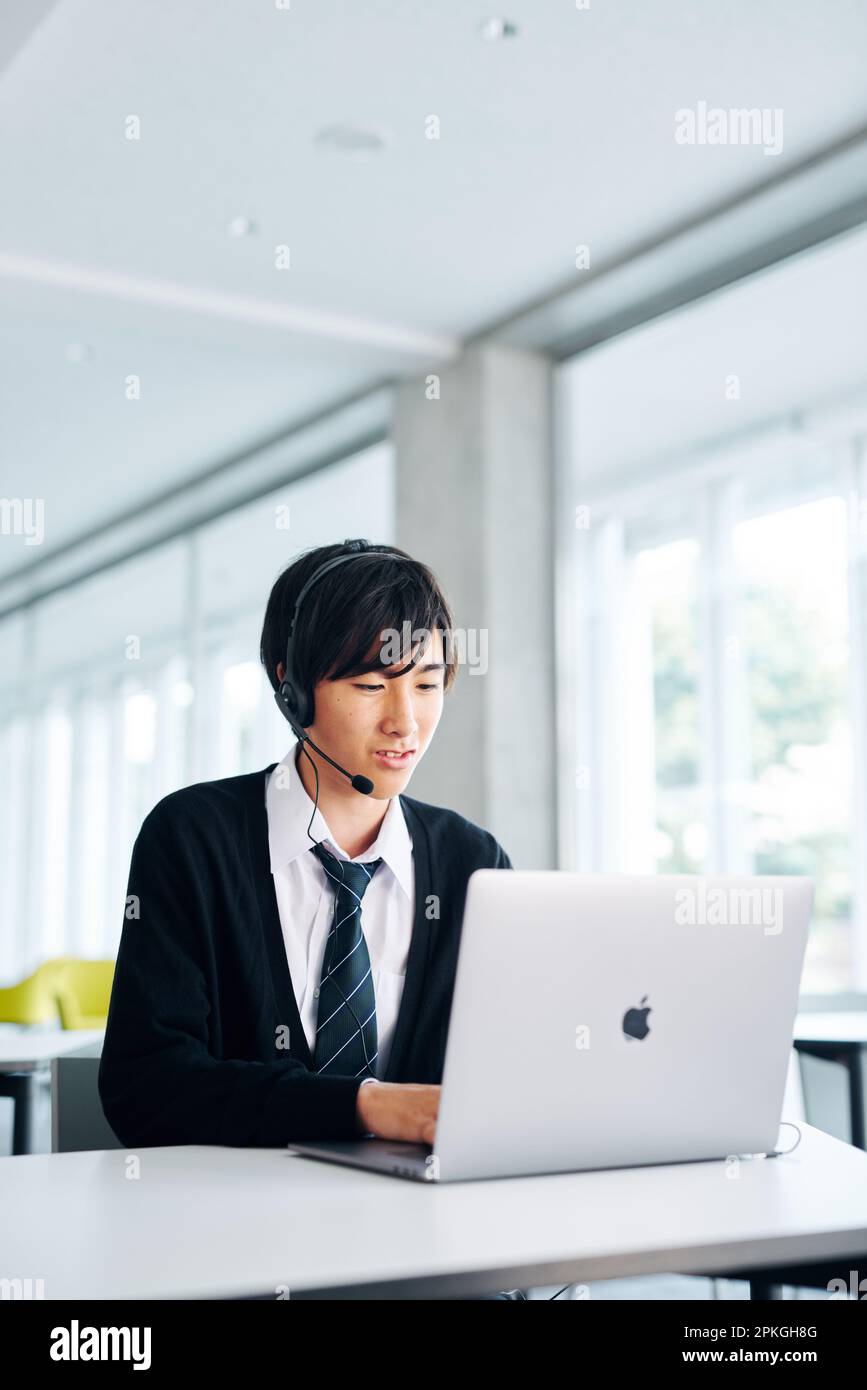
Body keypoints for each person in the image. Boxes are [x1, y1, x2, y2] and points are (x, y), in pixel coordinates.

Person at [98, 538, 513, 1151]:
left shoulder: (473, 864)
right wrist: (364, 1107)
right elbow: (146, 1089)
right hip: (231, 1224)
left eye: (426, 686)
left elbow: (509, 1075)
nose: (405, 722)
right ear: (290, 688)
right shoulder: (192, 838)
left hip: (429, 1224)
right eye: (372, 686)